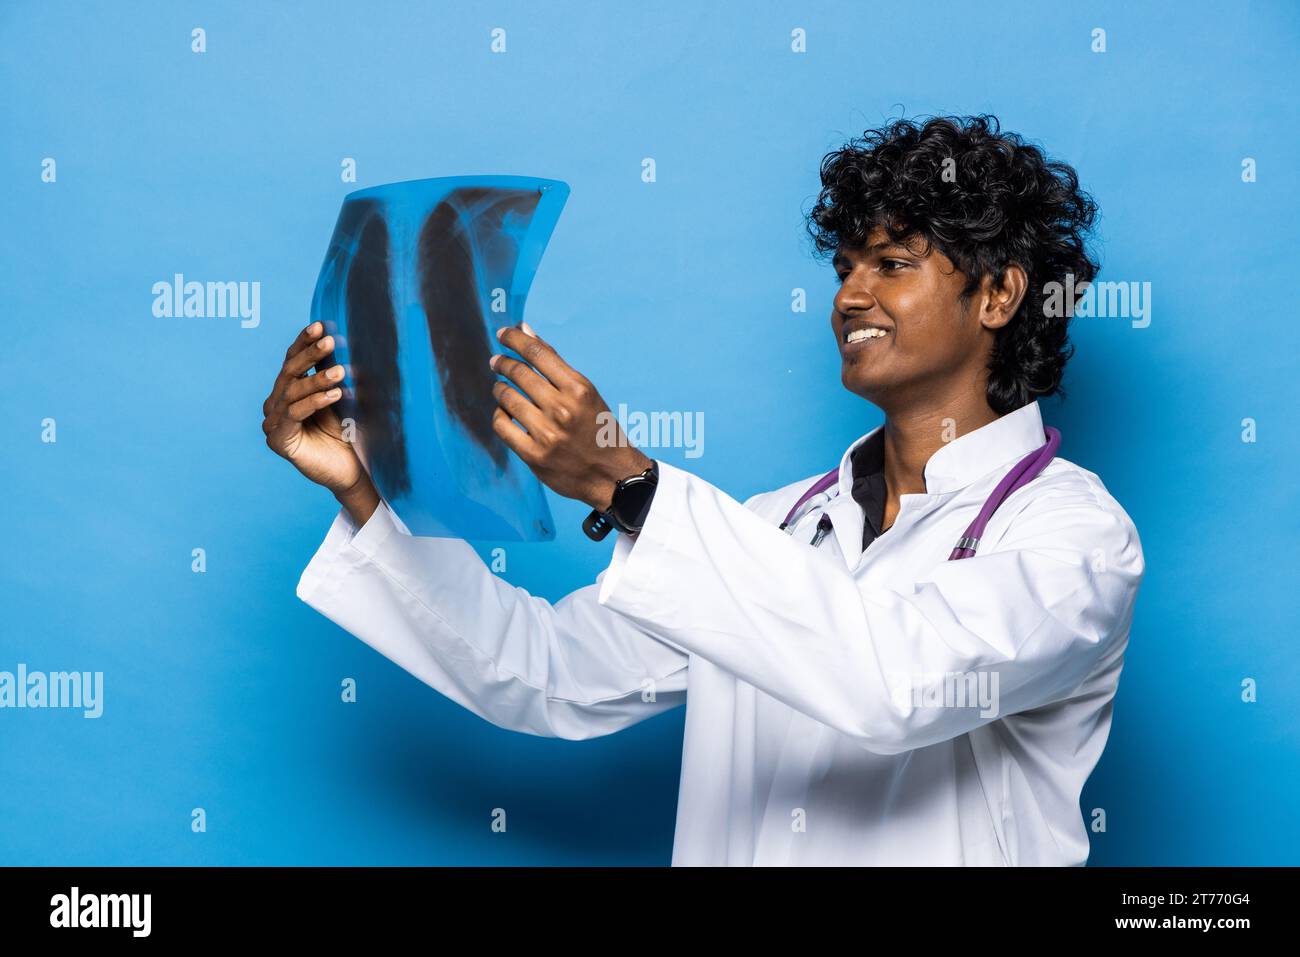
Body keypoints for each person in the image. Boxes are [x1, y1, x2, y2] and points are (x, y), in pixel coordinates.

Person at [263, 114, 1144, 866]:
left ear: (997, 295)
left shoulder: (1074, 537)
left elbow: (899, 681)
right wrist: (364, 492)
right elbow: (545, 675)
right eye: (843, 267)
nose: (849, 295)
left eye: (891, 264)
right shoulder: (778, 527)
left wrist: (628, 485)